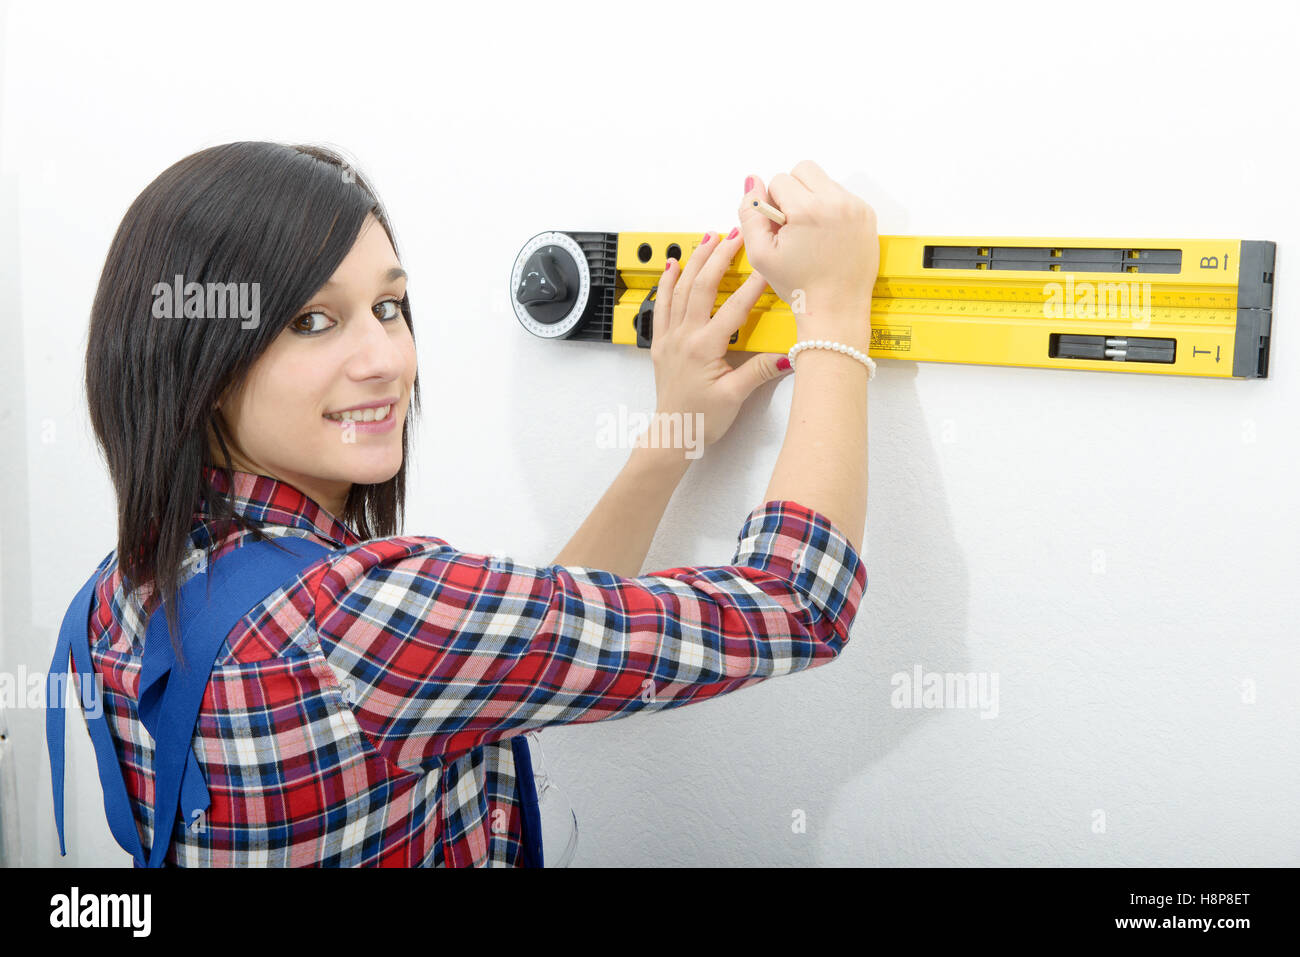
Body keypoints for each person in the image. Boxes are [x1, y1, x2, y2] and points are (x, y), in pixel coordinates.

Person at [49, 142, 877, 866]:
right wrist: (833, 306)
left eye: (387, 306)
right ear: (202, 358)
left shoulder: (119, 590)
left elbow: (491, 655)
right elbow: (799, 599)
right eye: (312, 319)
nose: (386, 359)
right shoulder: (361, 622)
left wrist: (671, 437)